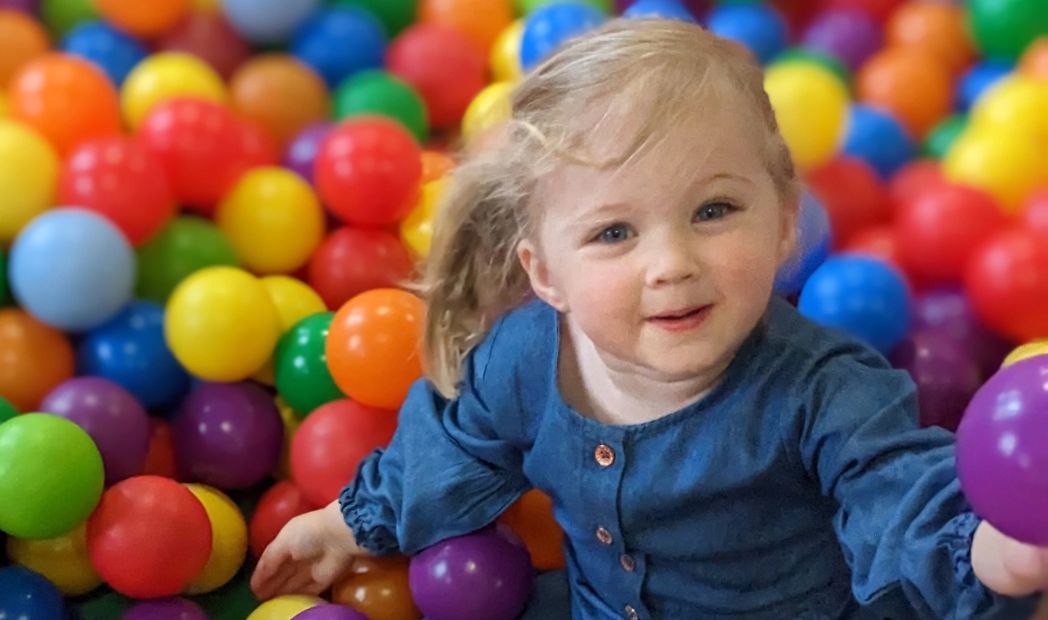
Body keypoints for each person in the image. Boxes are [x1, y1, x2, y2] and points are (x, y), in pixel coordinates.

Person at [251, 18, 1048, 619]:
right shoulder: (527, 358)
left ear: (782, 225)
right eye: (614, 233)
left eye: (713, 209)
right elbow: (451, 448)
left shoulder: (825, 391)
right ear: (546, 273)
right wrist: (345, 526)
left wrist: (991, 548)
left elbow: (898, 490)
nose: (671, 263)